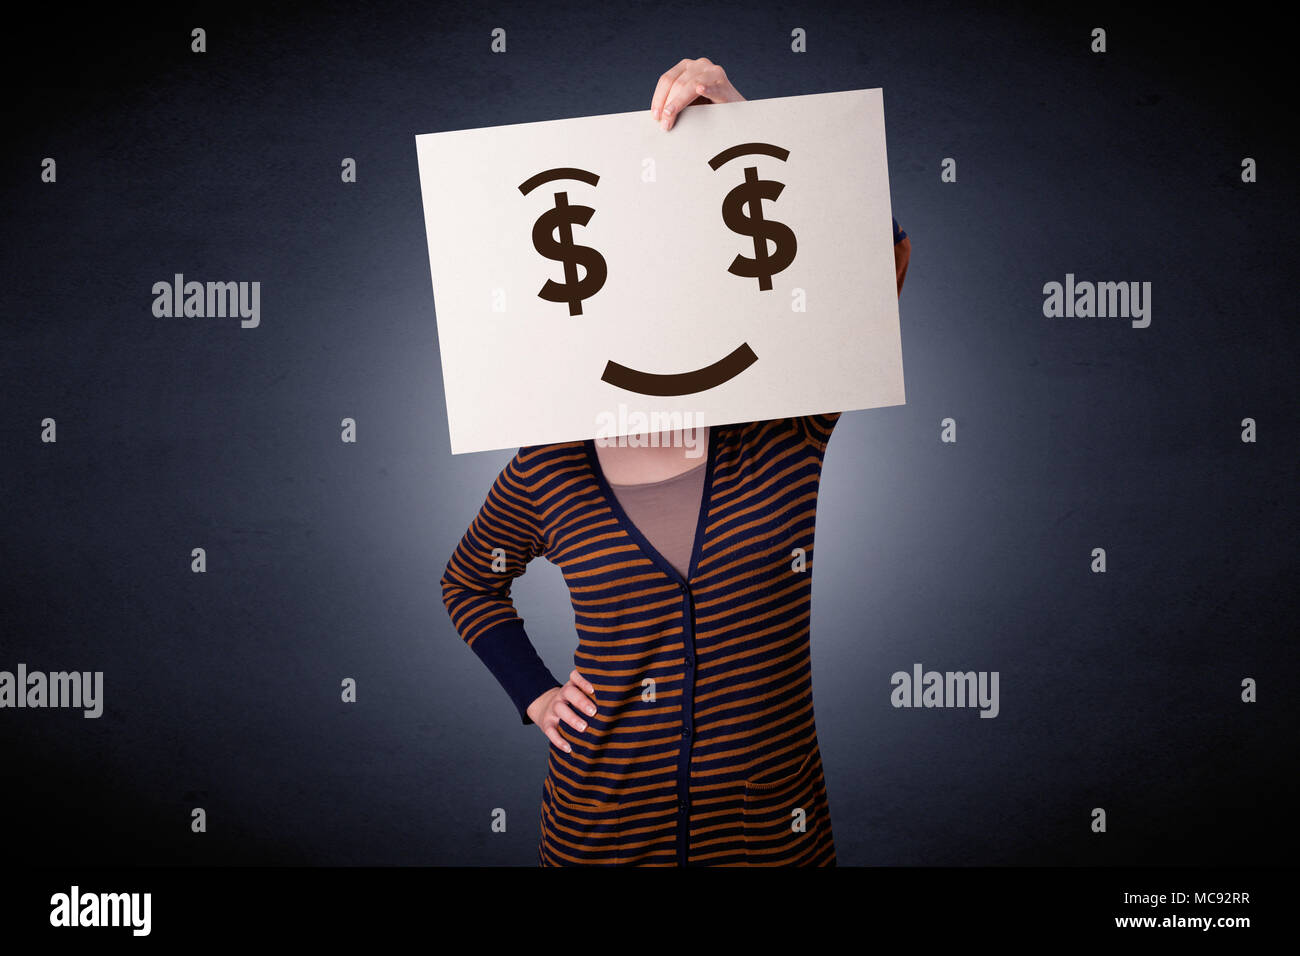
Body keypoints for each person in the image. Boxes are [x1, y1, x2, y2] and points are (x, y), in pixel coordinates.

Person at [441, 57, 911, 866]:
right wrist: (536, 694)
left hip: (774, 836)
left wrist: (747, 132)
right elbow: (468, 581)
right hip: (601, 834)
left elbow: (878, 260)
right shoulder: (548, 465)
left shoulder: (785, 420)